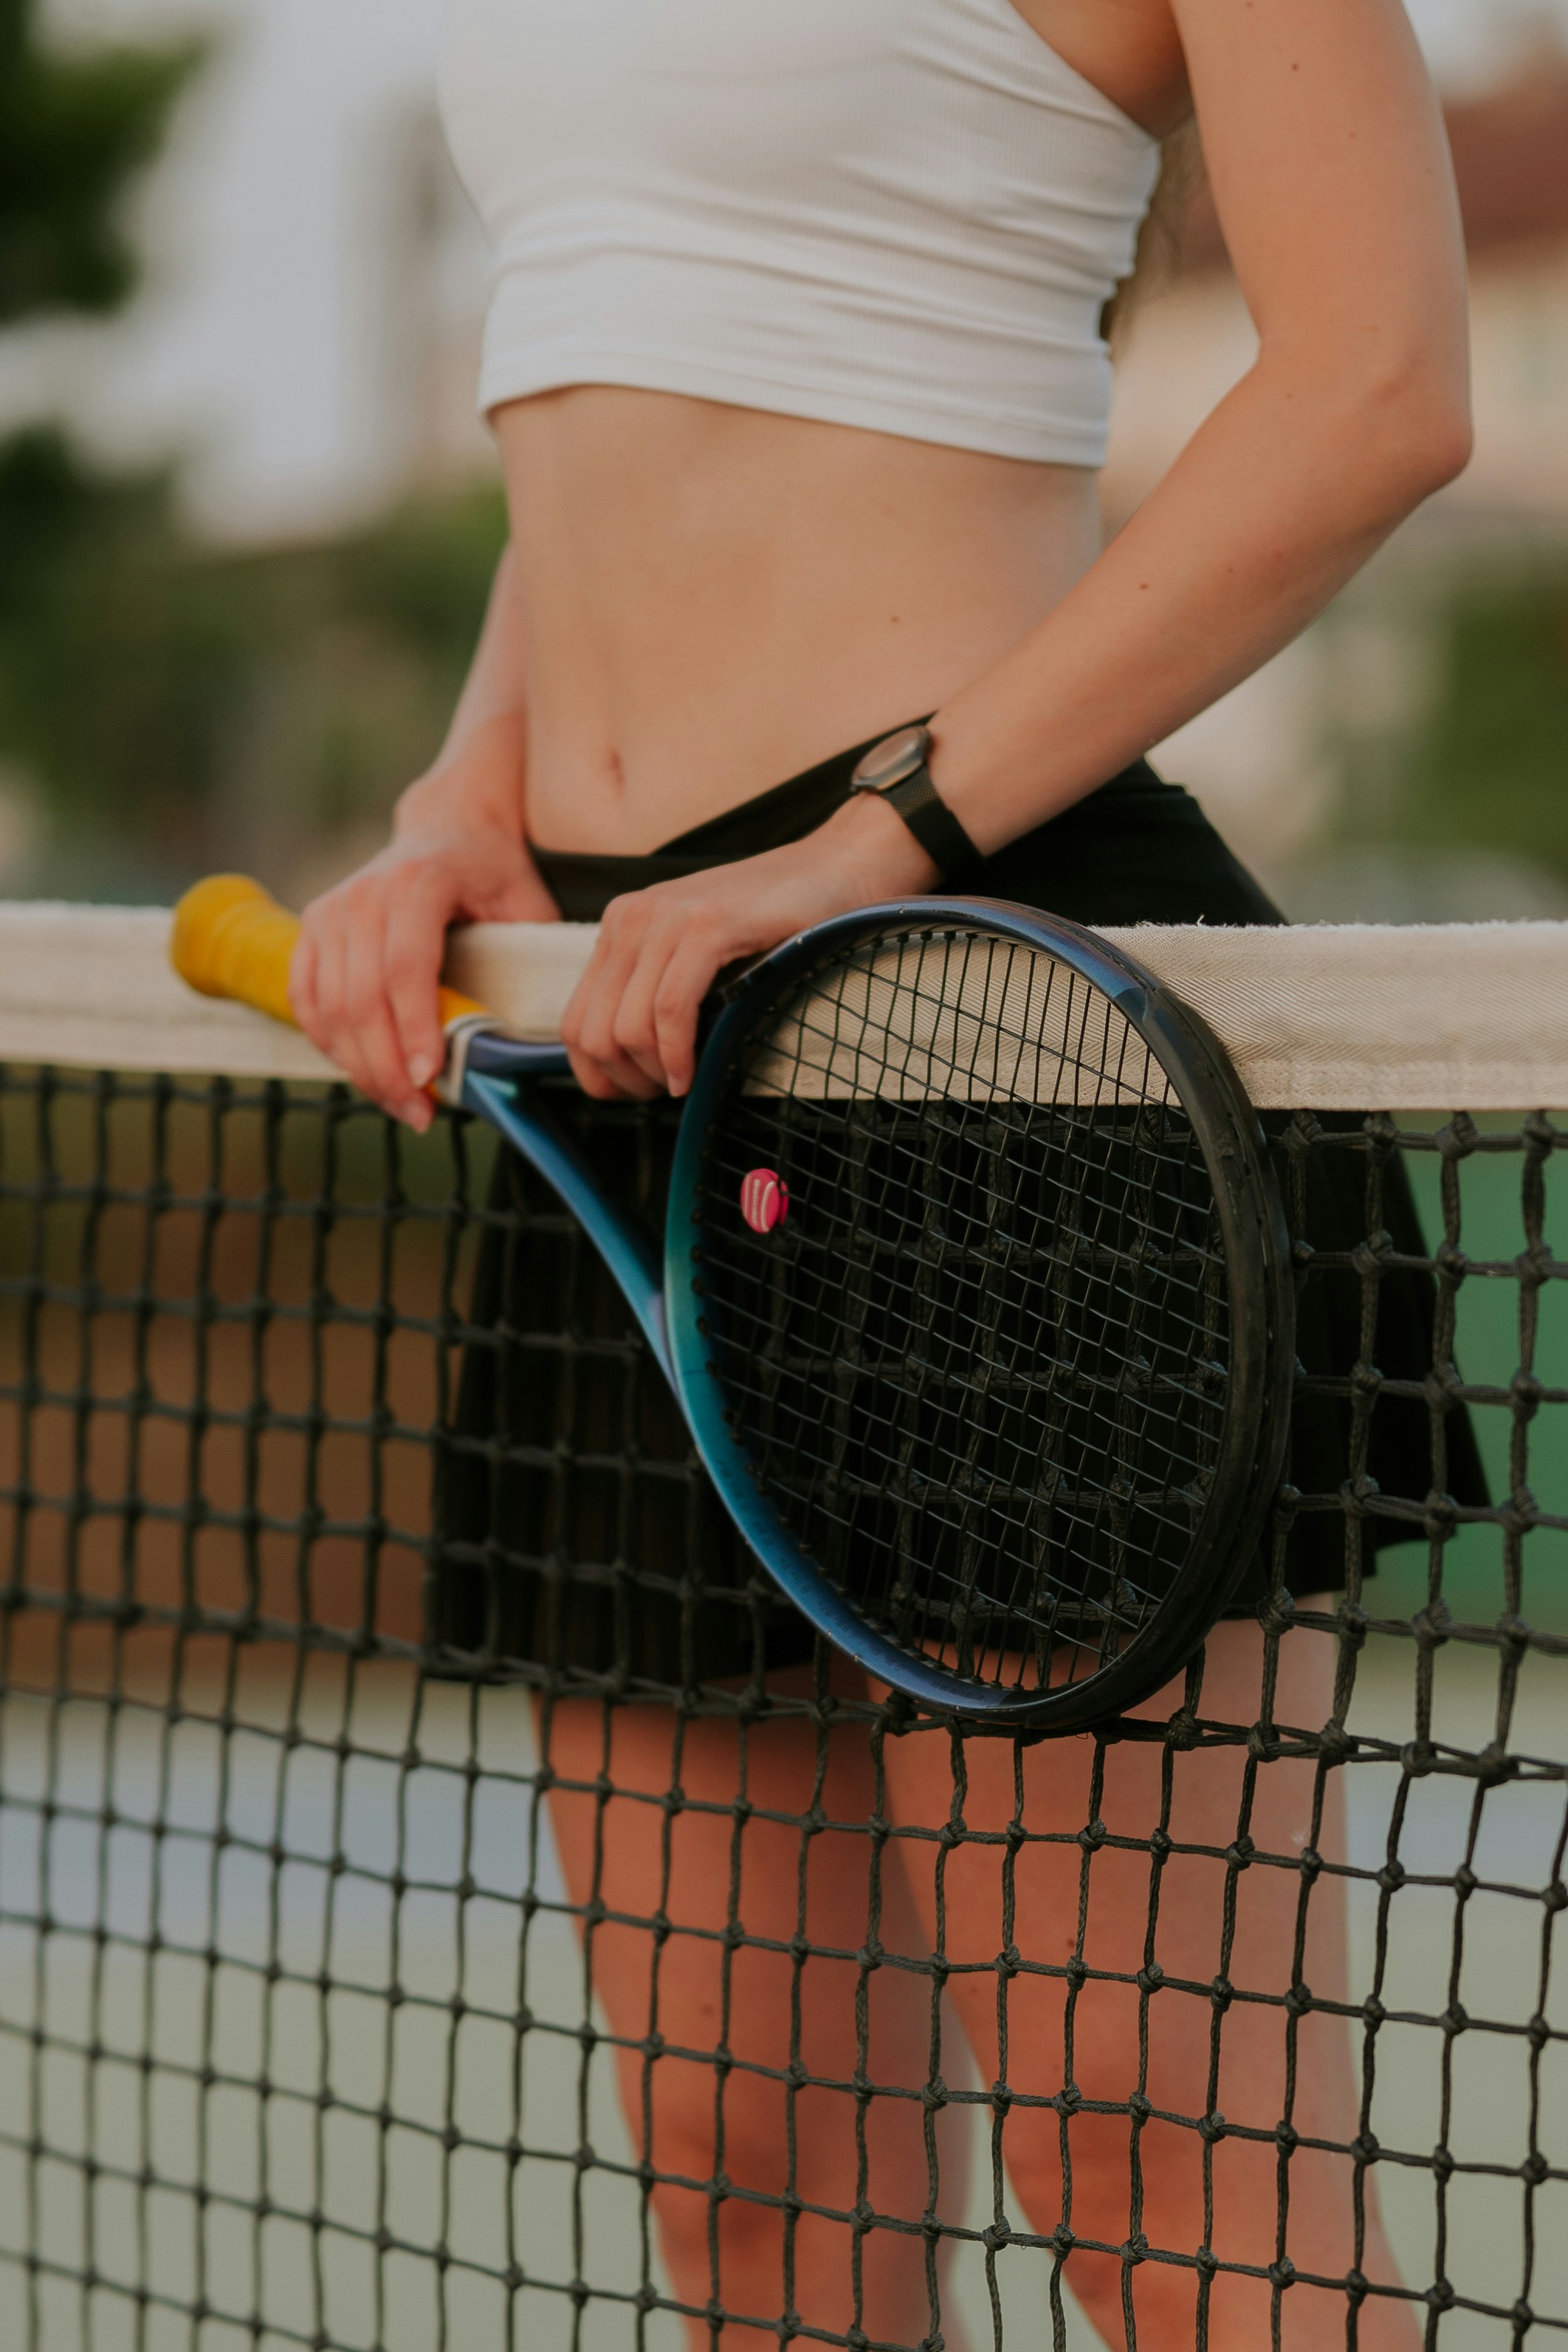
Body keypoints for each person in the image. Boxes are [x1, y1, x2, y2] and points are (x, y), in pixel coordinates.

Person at [290, 1, 1472, 2342]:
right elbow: (640, 349)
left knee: (1151, 2161)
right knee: (748, 2189)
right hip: (614, 1040)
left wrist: (869, 841)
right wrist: (467, 793)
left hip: (989, 1022)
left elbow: (1380, 392)